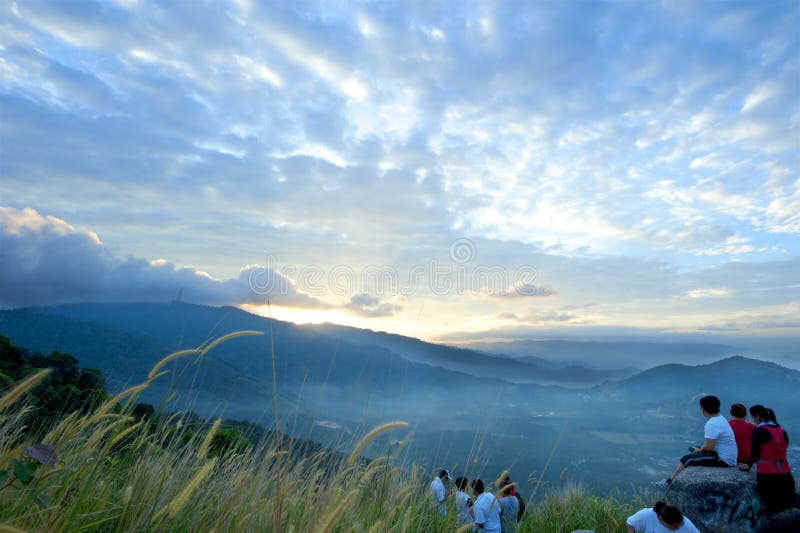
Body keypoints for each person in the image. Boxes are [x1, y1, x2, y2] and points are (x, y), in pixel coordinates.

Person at [654, 395, 737, 488]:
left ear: (702, 408)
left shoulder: (712, 423)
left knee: (686, 459)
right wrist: (701, 449)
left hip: (723, 460)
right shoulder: (720, 418)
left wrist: (700, 450)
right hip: (728, 456)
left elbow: (710, 447)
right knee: (698, 448)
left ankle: (668, 482)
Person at [739, 405, 797, 516]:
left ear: (757, 417)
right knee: (790, 508)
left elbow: (755, 452)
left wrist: (748, 465)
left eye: (753, 417)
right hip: (786, 475)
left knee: (773, 509)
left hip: (767, 475)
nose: (753, 420)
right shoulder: (782, 431)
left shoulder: (758, 431)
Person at [626, 501, 700, 532]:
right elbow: (631, 523)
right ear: (662, 520)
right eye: (674, 526)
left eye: (680, 524)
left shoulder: (687, 525)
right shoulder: (647, 515)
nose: (678, 528)